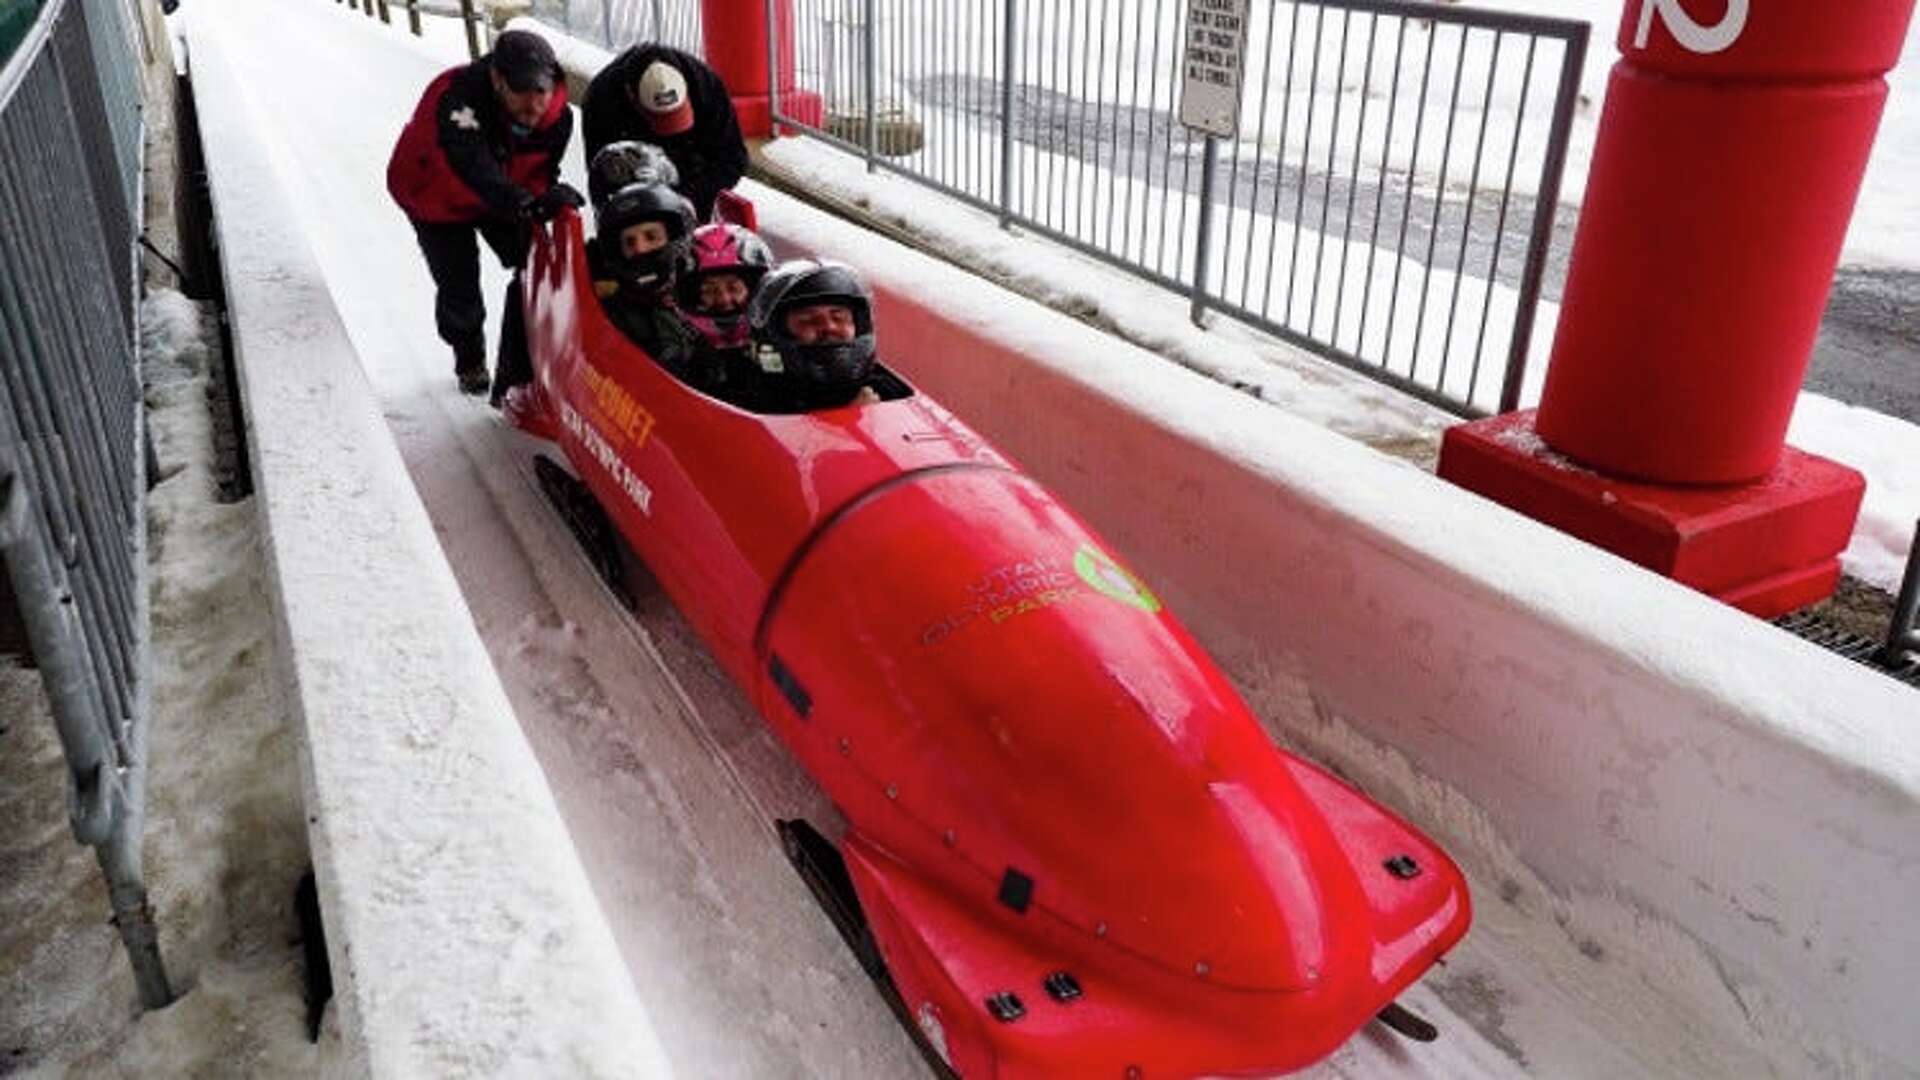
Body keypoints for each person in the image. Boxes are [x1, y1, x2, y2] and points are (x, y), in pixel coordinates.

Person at [388, 29, 581, 395]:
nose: (533, 102)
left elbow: (541, 169)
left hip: (500, 191)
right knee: (459, 280)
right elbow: (472, 163)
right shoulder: (457, 97)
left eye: (539, 90)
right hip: (435, 193)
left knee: (533, 260)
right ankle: (469, 359)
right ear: (497, 80)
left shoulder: (558, 119)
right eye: (521, 90)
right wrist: (522, 201)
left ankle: (531, 360)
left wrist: (544, 200)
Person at [582, 44, 747, 222]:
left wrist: (688, 197)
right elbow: (601, 178)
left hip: (693, 183)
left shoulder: (706, 86)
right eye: (660, 118)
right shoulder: (601, 101)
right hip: (635, 197)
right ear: (633, 98)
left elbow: (732, 159)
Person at [588, 173, 701, 379]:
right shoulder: (610, 311)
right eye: (629, 242)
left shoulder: (702, 291)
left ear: (673, 238)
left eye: (651, 237)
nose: (640, 249)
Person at [742, 259, 892, 413]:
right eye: (809, 321)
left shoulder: (886, 391)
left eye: (839, 318)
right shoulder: (752, 401)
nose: (829, 327)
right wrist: (849, 415)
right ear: (777, 332)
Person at [678, 223, 776, 401]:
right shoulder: (677, 346)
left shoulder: (778, 338)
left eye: (734, 288)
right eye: (711, 290)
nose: (724, 299)